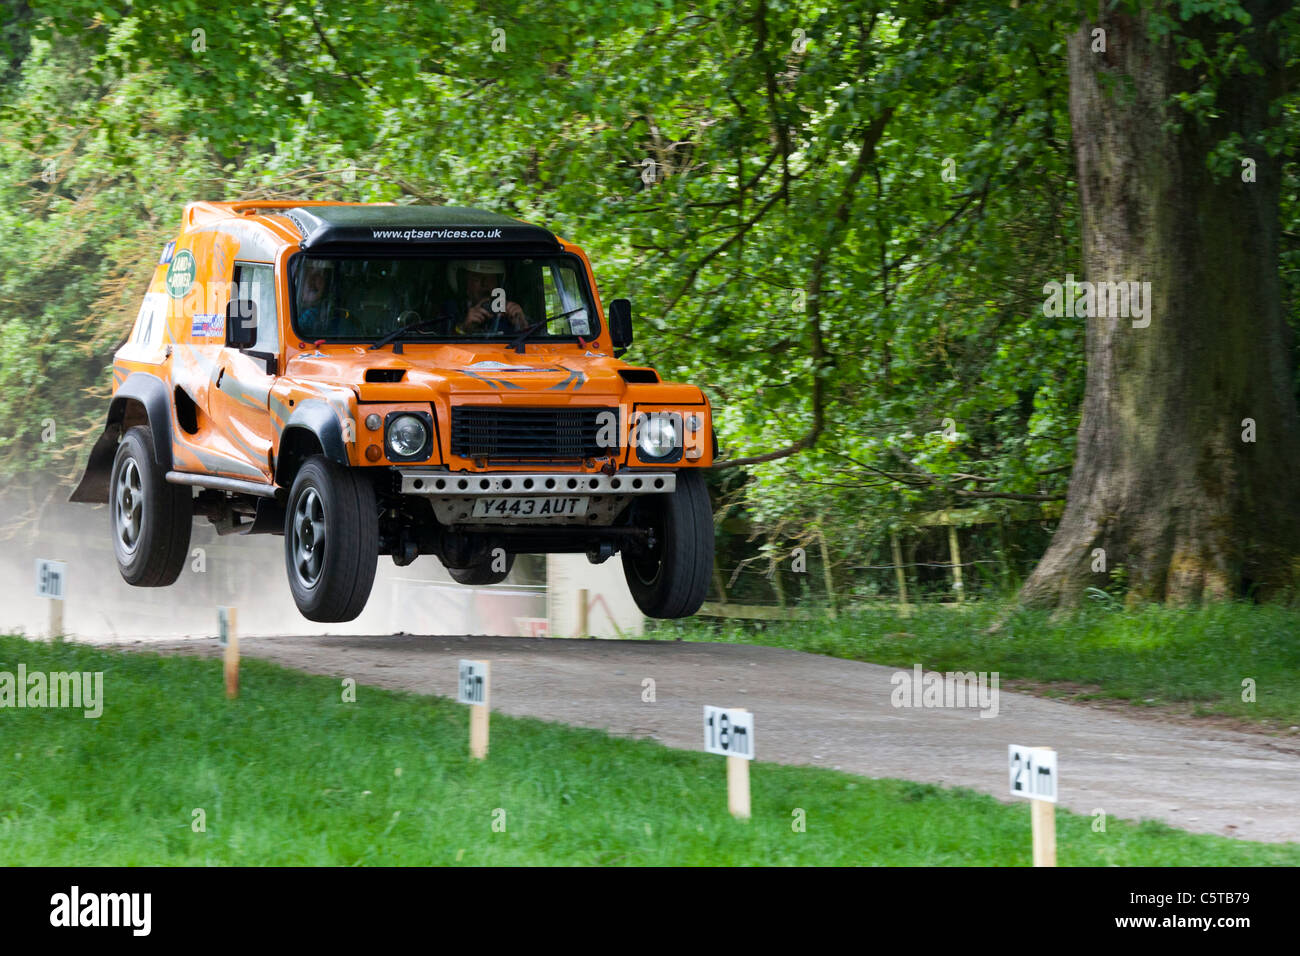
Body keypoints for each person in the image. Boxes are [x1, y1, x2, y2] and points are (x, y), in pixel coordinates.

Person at [443, 260, 529, 335]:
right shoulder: (451, 310)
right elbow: (439, 349)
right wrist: (463, 328)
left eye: (490, 279)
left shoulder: (509, 313)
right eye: (476, 277)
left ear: (498, 283)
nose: (484, 284)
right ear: (465, 281)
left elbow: (531, 346)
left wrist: (522, 326)